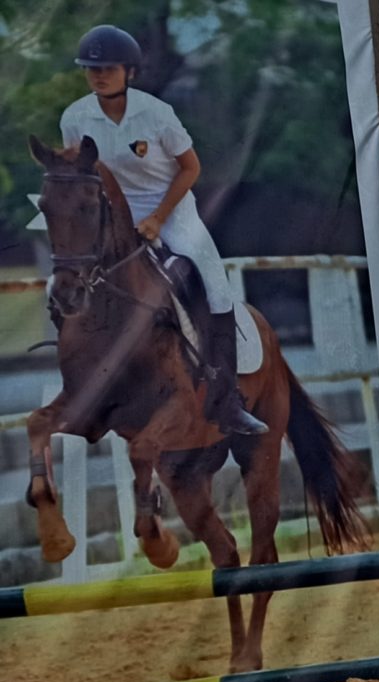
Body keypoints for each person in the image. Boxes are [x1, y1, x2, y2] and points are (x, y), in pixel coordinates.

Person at [59, 24, 267, 436]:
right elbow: (77, 175)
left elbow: (191, 168)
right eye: (92, 68)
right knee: (73, 279)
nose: (99, 75)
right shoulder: (74, 118)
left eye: (108, 68)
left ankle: (227, 399)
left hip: (172, 211)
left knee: (215, 287)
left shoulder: (156, 114)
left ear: (130, 72)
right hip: (113, 217)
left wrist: (157, 217)